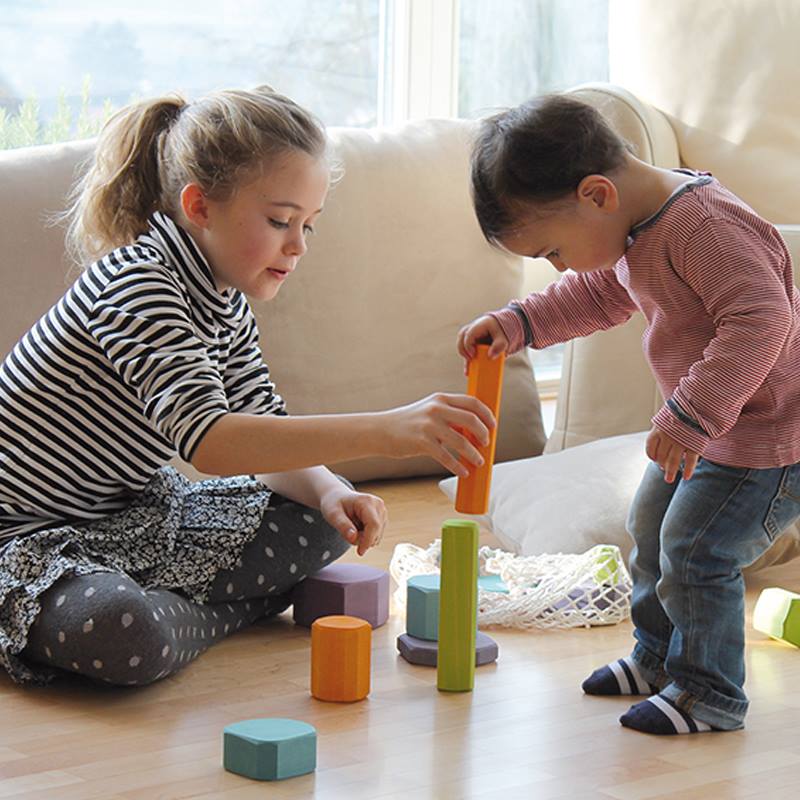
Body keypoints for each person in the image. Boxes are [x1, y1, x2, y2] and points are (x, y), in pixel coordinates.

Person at [0, 86, 494, 687]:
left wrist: (327, 490)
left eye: (308, 225)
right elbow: (214, 443)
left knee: (323, 515)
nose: (298, 245)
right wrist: (389, 430)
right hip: (22, 537)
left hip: (128, 519)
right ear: (200, 206)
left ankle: (171, 615)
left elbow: (265, 430)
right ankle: (193, 616)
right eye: (281, 221)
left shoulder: (223, 299)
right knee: (123, 630)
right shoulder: (138, 285)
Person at [458, 94, 800, 735]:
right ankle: (658, 658)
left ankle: (710, 693)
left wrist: (692, 414)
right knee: (650, 526)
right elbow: (598, 293)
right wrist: (520, 323)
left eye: (553, 251)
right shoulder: (637, 226)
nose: (559, 266)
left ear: (596, 195)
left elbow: (762, 320)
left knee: (697, 550)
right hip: (707, 429)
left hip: (766, 435)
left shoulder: (703, 226)